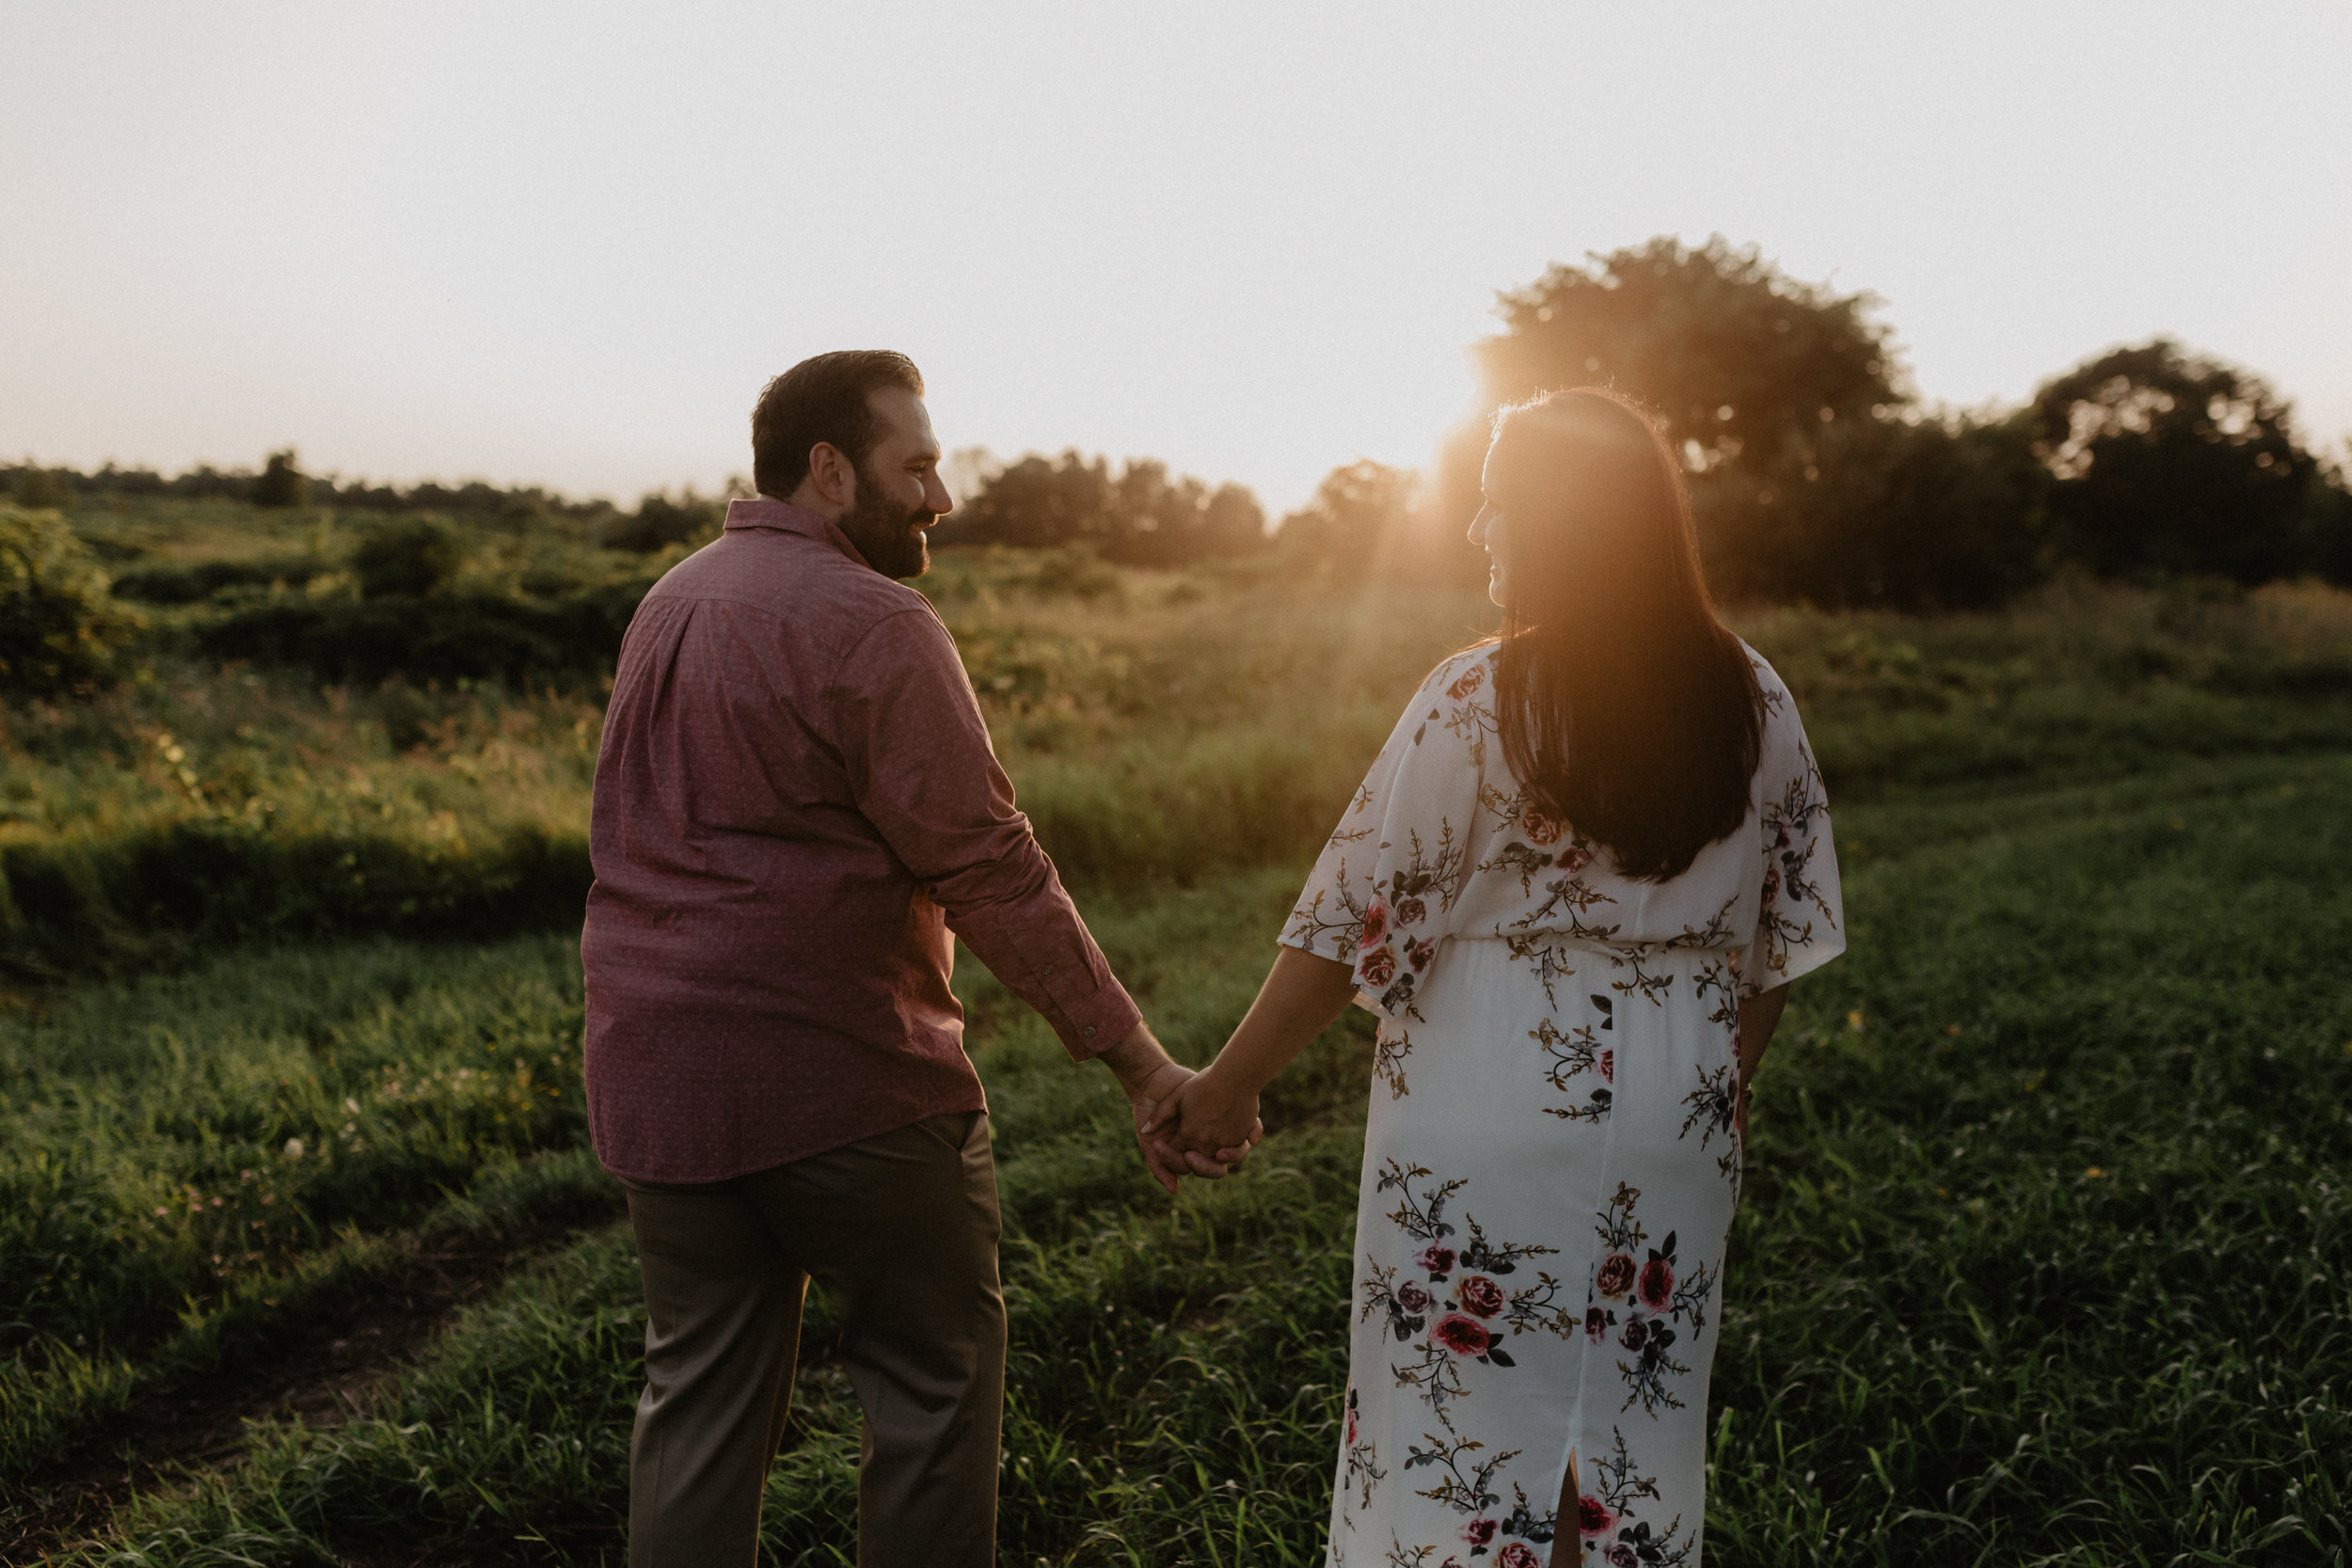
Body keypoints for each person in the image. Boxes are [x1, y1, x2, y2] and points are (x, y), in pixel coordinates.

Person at [1148, 388, 1845, 1567]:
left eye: (1496, 500)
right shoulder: (1751, 697)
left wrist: (1226, 1084)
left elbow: (1357, 920)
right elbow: (1779, 942)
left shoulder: (1480, 697)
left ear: (1560, 522)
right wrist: (1694, 1089)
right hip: (1680, 1104)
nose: (1478, 528)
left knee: (1466, 1425)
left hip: (1498, 1084)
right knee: (1625, 1416)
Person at [580, 350, 1248, 1568]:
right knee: (932, 1393)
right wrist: (1144, 1066)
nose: (941, 493)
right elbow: (989, 867)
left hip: (658, 1084)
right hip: (847, 1088)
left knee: (696, 1415)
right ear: (831, 470)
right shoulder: (879, 620)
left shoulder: (669, 598)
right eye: (919, 464)